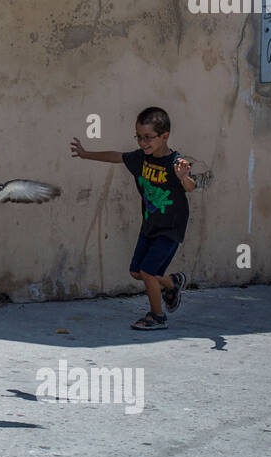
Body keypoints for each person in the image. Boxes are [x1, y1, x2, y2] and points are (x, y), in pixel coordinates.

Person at [70, 106, 195, 330]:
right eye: (138, 137)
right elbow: (116, 156)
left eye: (148, 137)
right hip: (150, 224)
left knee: (148, 272)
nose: (142, 142)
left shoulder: (175, 162)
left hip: (171, 226)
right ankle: (172, 283)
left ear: (164, 136)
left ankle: (157, 317)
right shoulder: (141, 159)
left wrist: (184, 177)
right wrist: (86, 153)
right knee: (137, 272)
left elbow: (190, 186)